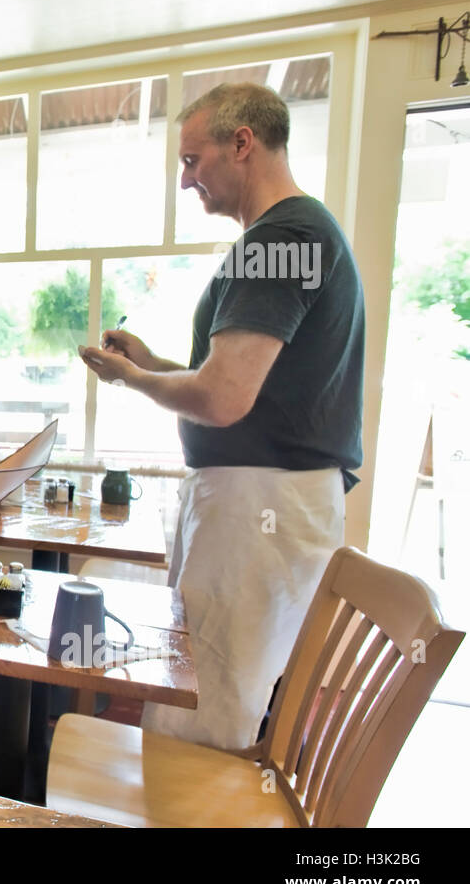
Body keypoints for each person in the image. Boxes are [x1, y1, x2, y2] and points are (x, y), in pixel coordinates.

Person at [77, 82, 365, 751]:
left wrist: (135, 377)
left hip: (257, 501)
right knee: (217, 688)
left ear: (242, 143)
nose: (186, 181)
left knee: (201, 706)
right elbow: (246, 384)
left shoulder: (281, 236)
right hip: (269, 496)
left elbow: (223, 399)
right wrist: (157, 361)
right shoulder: (299, 233)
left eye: (192, 160)